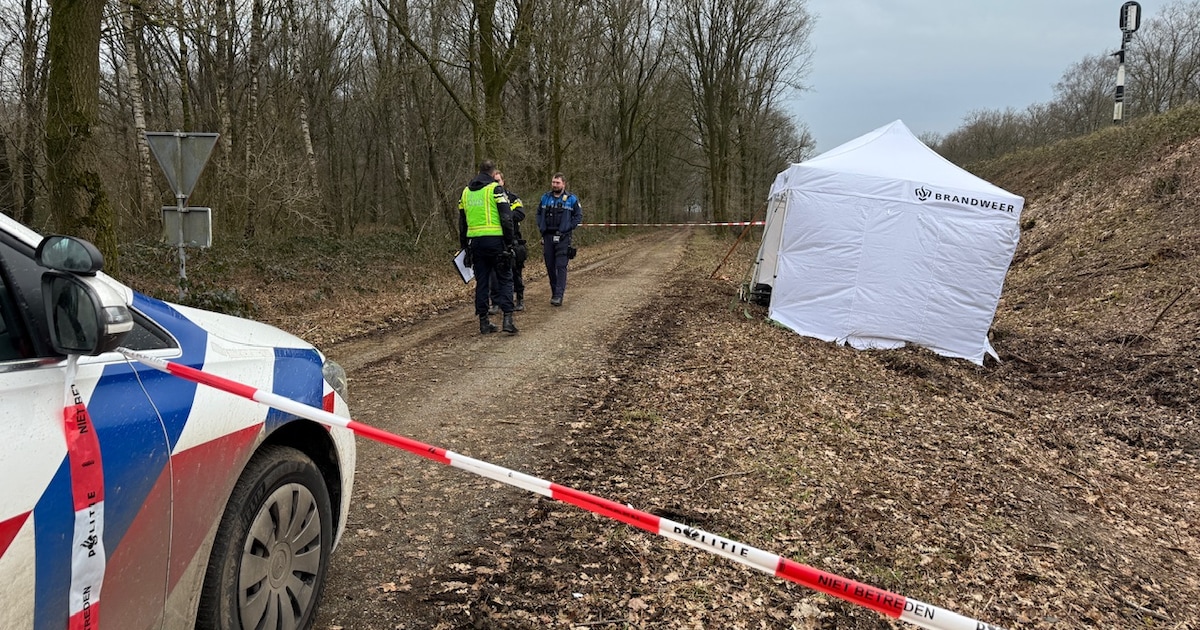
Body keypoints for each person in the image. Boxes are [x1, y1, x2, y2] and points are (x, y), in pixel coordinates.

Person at [459, 160, 518, 334]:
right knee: (505, 278)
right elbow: (507, 218)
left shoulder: (465, 192)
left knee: (482, 282)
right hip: (496, 241)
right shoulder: (495, 190)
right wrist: (510, 242)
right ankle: (507, 319)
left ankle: (484, 322)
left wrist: (464, 247)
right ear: (493, 174)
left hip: (475, 243)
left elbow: (462, 223)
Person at [535, 172, 583, 306]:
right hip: (548, 236)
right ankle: (554, 291)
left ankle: (558, 295)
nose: (555, 185)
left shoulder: (571, 199)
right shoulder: (545, 198)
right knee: (550, 266)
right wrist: (541, 225)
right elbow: (538, 213)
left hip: (563, 237)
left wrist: (569, 227)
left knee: (561, 266)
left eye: (557, 183)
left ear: (563, 184)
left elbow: (578, 216)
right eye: (553, 182)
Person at [488, 170, 527, 313]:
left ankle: (520, 298)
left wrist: (505, 214)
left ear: (503, 181)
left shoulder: (513, 197)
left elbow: (521, 214)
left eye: (498, 181)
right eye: (493, 181)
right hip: (496, 240)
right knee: (494, 273)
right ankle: (496, 303)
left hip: (513, 239)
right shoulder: (489, 199)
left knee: (516, 271)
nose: (496, 183)